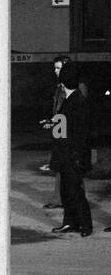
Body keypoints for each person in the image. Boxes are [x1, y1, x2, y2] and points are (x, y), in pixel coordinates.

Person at [48, 63, 93, 237]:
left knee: (75, 191)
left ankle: (85, 225)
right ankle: (69, 223)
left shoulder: (78, 101)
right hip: (66, 154)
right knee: (66, 191)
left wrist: (77, 156)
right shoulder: (71, 100)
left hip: (73, 156)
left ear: (63, 81)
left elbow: (81, 133)